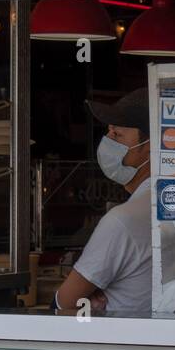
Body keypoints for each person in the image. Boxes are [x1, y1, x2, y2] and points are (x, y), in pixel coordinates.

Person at [56, 88, 154, 318]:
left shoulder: (122, 220)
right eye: (108, 133)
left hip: (123, 347)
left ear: (150, 148)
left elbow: (65, 303)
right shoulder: (172, 203)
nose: (107, 142)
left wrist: (89, 297)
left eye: (118, 136)